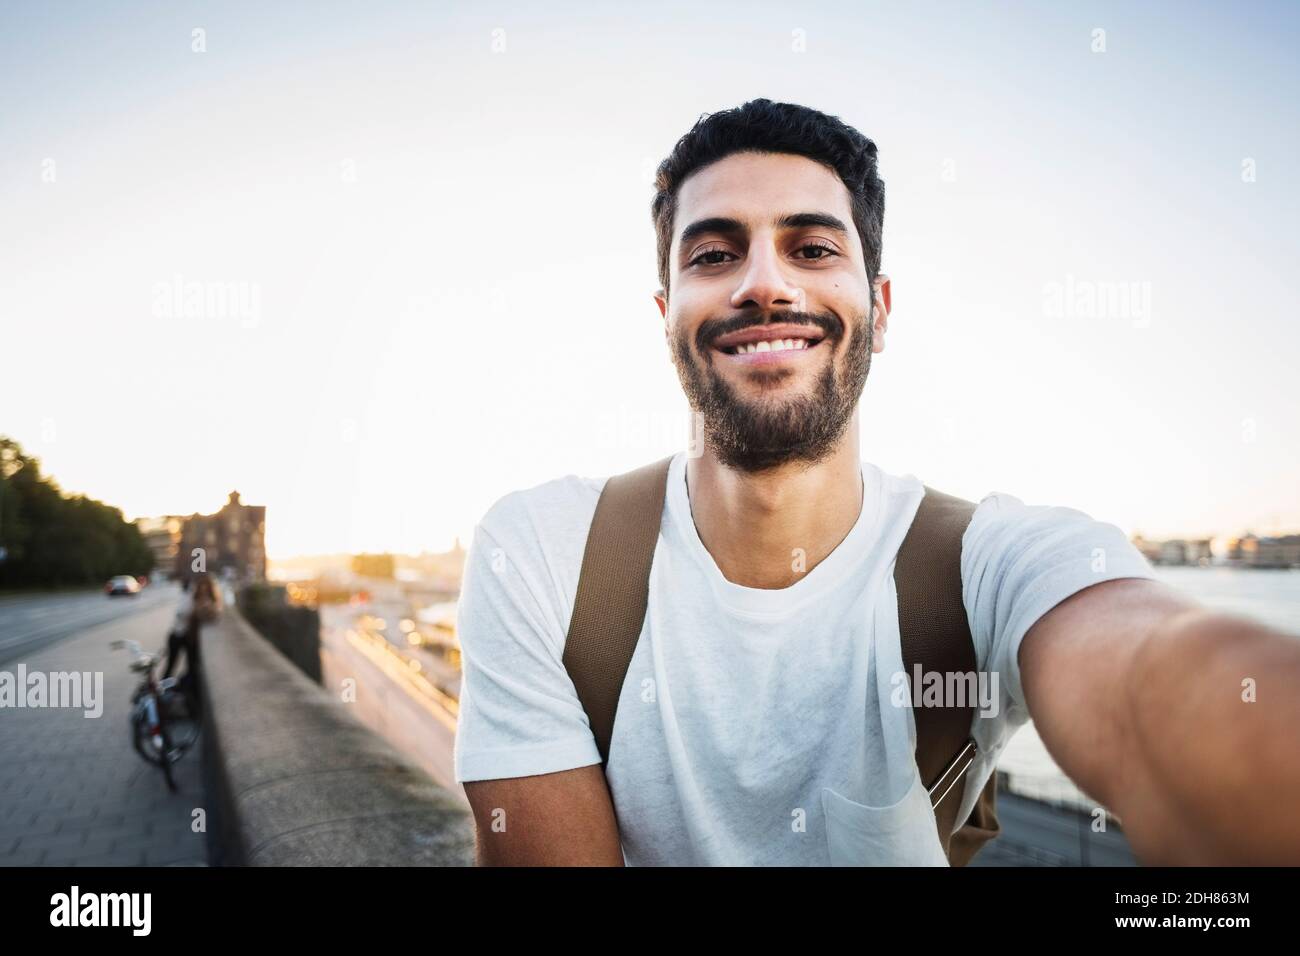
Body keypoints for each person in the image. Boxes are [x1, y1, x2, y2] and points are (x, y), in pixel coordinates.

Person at [452, 99, 1300, 866]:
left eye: (813, 248)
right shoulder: (540, 558)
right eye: (715, 254)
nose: (764, 284)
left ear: (880, 308)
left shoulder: (1000, 563)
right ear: (665, 312)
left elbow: (1154, 680)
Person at [163, 572, 221, 707]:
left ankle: (190, 701)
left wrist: (205, 607)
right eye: (200, 585)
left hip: (189, 640)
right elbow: (181, 614)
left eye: (205, 586)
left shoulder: (208, 601)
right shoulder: (190, 597)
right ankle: (161, 698)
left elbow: (214, 615)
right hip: (177, 637)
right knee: (171, 667)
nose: (202, 588)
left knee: (192, 669)